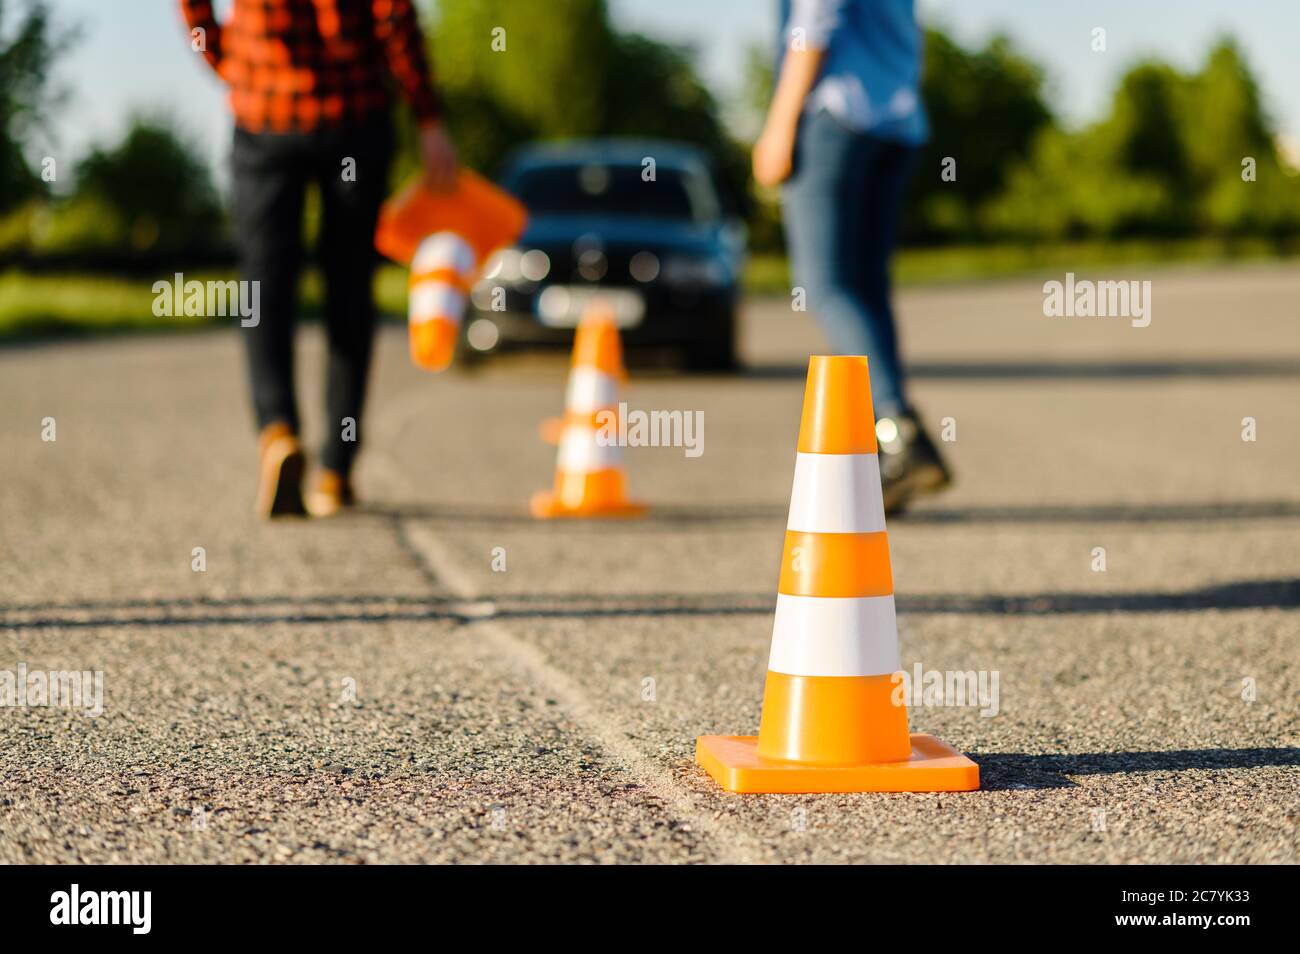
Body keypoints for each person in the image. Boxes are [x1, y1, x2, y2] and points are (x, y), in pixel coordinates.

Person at [178, 0, 456, 518]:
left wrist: (231, 62)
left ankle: (278, 431)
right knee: (349, 288)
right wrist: (428, 115)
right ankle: (334, 470)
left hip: (264, 115)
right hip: (354, 116)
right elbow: (393, 14)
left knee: (263, 289)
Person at [753, 0, 950, 513]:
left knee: (824, 285)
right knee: (866, 287)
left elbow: (814, 20)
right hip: (898, 121)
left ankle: (899, 432)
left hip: (837, 118)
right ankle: (894, 449)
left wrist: (780, 122)